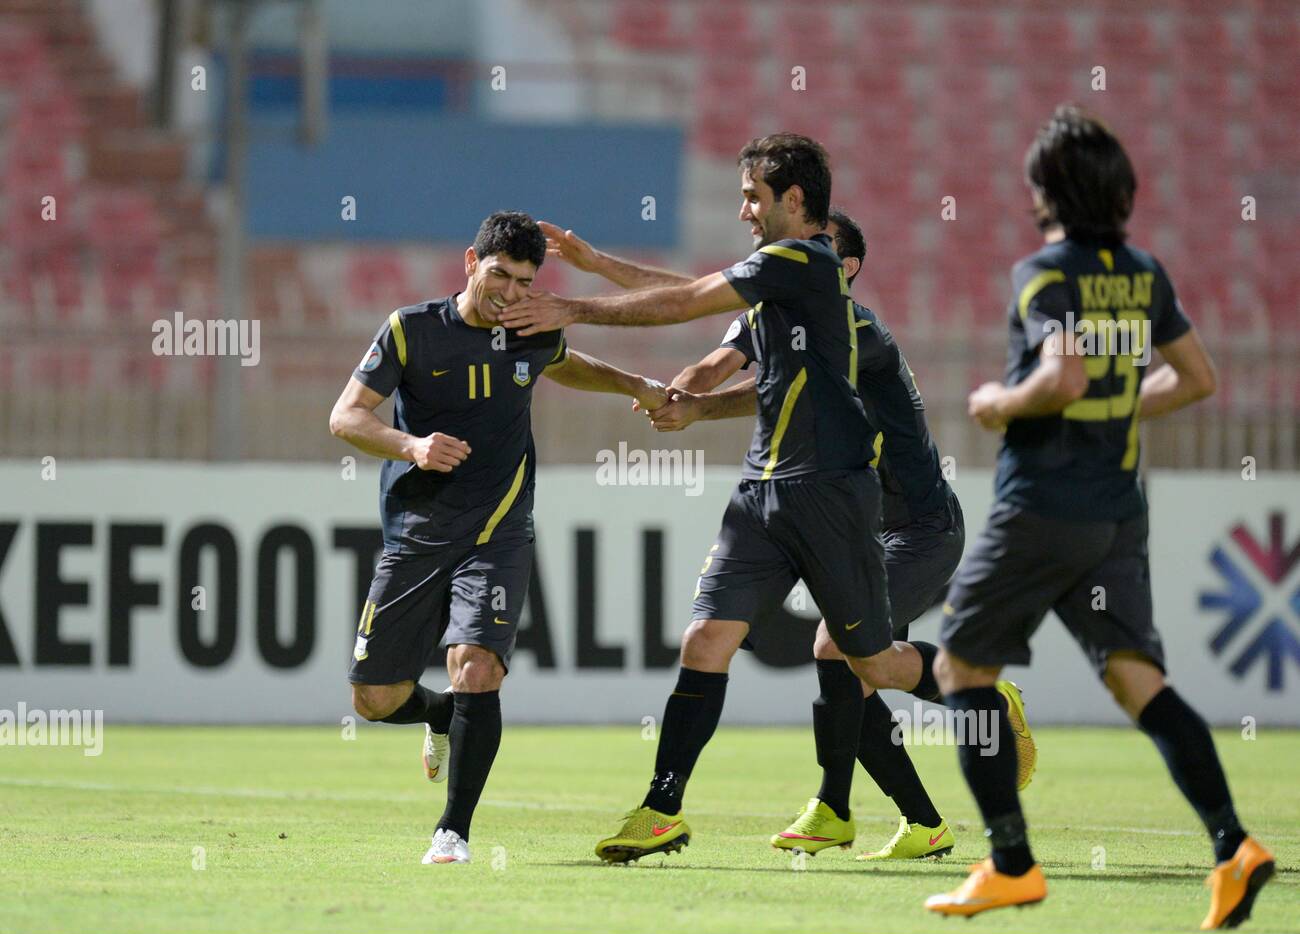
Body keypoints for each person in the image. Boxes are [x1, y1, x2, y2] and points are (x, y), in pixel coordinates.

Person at [546, 207, 1038, 861]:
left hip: (917, 526)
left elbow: (723, 328)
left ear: (847, 267)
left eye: (817, 248)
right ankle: (913, 820)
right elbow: (717, 355)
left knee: (843, 650)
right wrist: (680, 397)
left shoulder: (858, 332)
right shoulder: (774, 318)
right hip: (828, 518)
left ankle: (959, 715)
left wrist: (596, 296)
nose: (789, 260)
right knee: (820, 658)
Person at [501, 133, 896, 861]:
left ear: (795, 200)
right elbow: (690, 293)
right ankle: (663, 807)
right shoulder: (777, 277)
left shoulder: (803, 261)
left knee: (872, 663)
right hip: (763, 492)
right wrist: (597, 267)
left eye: (754, 196)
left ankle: (978, 688)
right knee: (707, 637)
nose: (744, 209)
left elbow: (684, 300)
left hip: (831, 491)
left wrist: (573, 308)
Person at [925, 106, 1273, 928]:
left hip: (1042, 508)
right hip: (1118, 517)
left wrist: (998, 402)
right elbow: (1197, 378)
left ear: (1047, 189)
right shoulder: (1146, 273)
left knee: (960, 671)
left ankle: (1010, 861)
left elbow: (1064, 376)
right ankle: (1233, 845)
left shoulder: (1045, 271)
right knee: (1138, 680)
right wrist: (1116, 410)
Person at [328, 210, 668, 864]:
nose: (512, 292)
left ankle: (452, 831)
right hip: (419, 534)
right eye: (500, 275)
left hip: (497, 531)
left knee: (477, 667)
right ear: (469, 263)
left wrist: (635, 385)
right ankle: (437, 717)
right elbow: (346, 416)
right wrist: (412, 445)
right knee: (373, 697)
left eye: (524, 279)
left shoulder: (530, 328)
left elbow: (568, 363)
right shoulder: (411, 330)